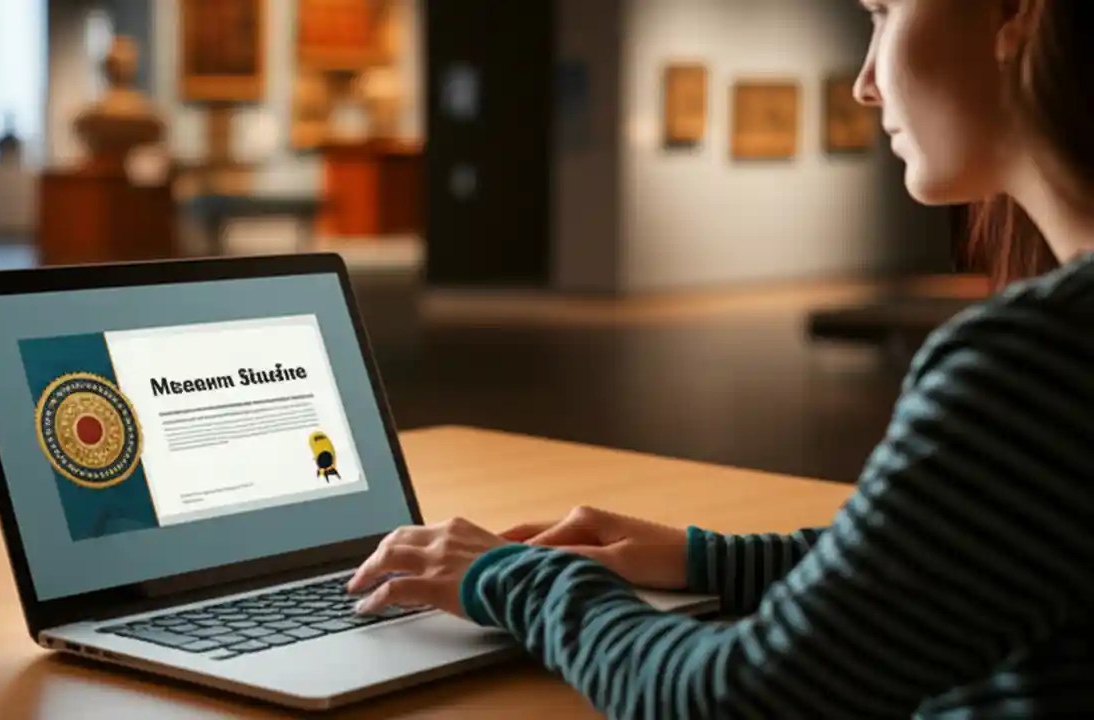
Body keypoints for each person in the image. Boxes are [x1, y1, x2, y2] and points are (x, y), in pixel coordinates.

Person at [347, 0, 1093, 716]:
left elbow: (733, 698)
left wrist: (513, 577)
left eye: (883, 14)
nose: (865, 82)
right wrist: (707, 562)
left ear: (1013, 13)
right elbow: (953, 567)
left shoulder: (1036, 365)